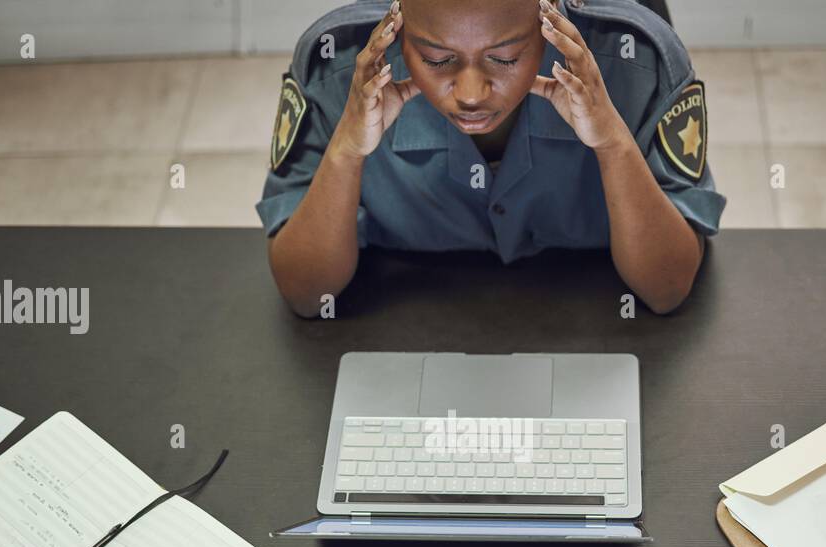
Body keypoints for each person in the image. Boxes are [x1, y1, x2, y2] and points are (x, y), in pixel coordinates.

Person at [260, 0, 725, 316]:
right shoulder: (336, 67)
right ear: (397, 24)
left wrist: (613, 144)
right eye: (436, 58)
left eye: (504, 58)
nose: (470, 95)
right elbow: (308, 295)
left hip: (597, 332)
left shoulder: (637, 63)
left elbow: (666, 290)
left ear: (551, 18)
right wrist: (345, 151)